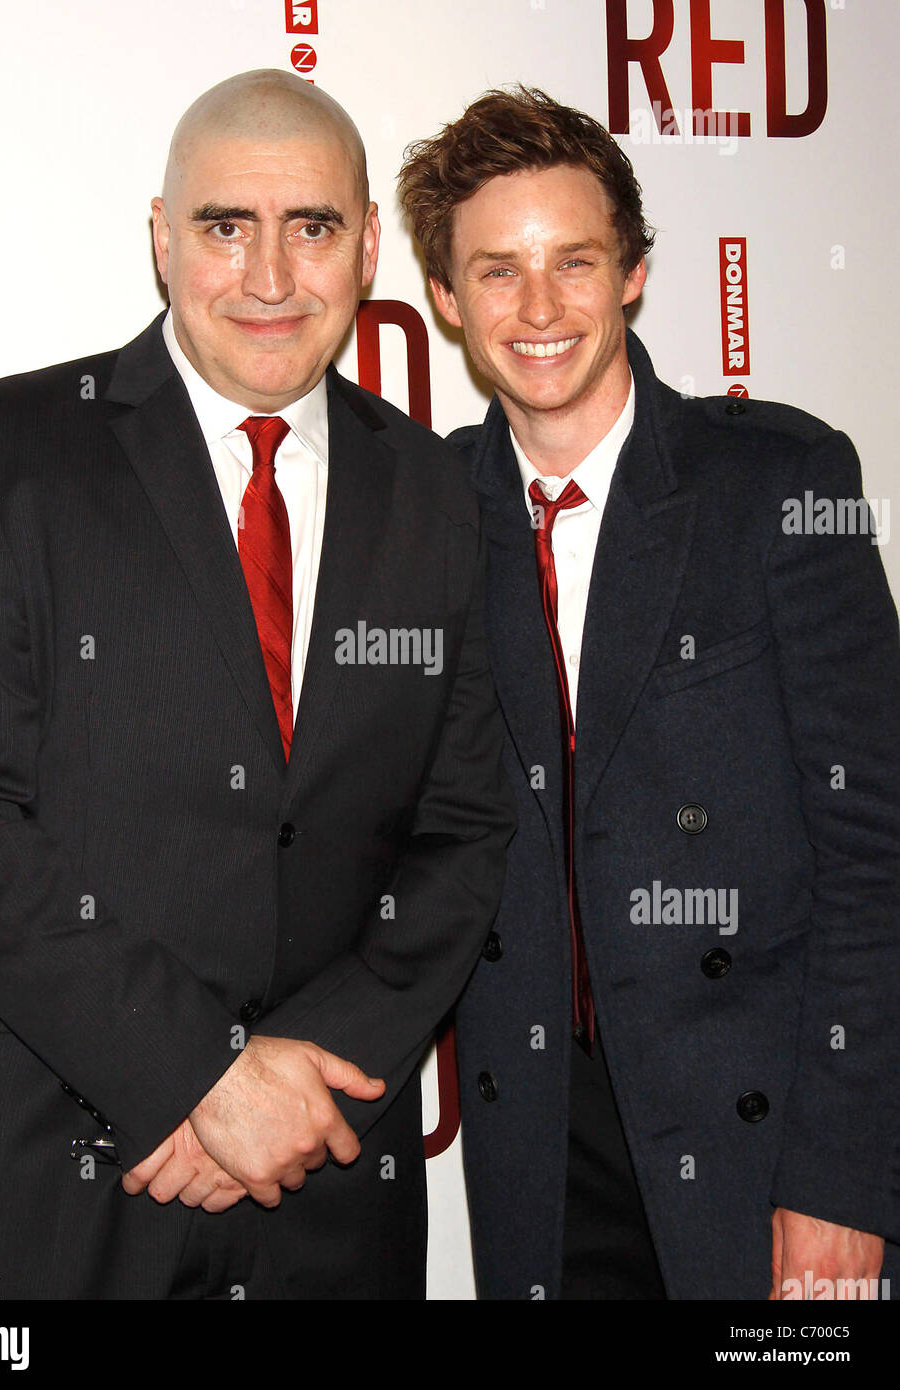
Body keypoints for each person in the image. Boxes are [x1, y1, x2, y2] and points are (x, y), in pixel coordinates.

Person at [0, 69, 514, 1300]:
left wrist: (296, 1082)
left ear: (368, 245)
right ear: (163, 240)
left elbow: (464, 830)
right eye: (227, 227)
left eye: (311, 228)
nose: (269, 278)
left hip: (321, 1200)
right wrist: (203, 1079)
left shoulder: (437, 495)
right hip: (39, 1200)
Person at [398, 86, 900, 1300]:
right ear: (446, 302)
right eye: (497, 272)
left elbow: (876, 853)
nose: (537, 309)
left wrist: (840, 1179)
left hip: (765, 1133)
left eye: (572, 261)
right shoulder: (418, 518)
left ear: (630, 271)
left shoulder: (776, 478)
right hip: (542, 1149)